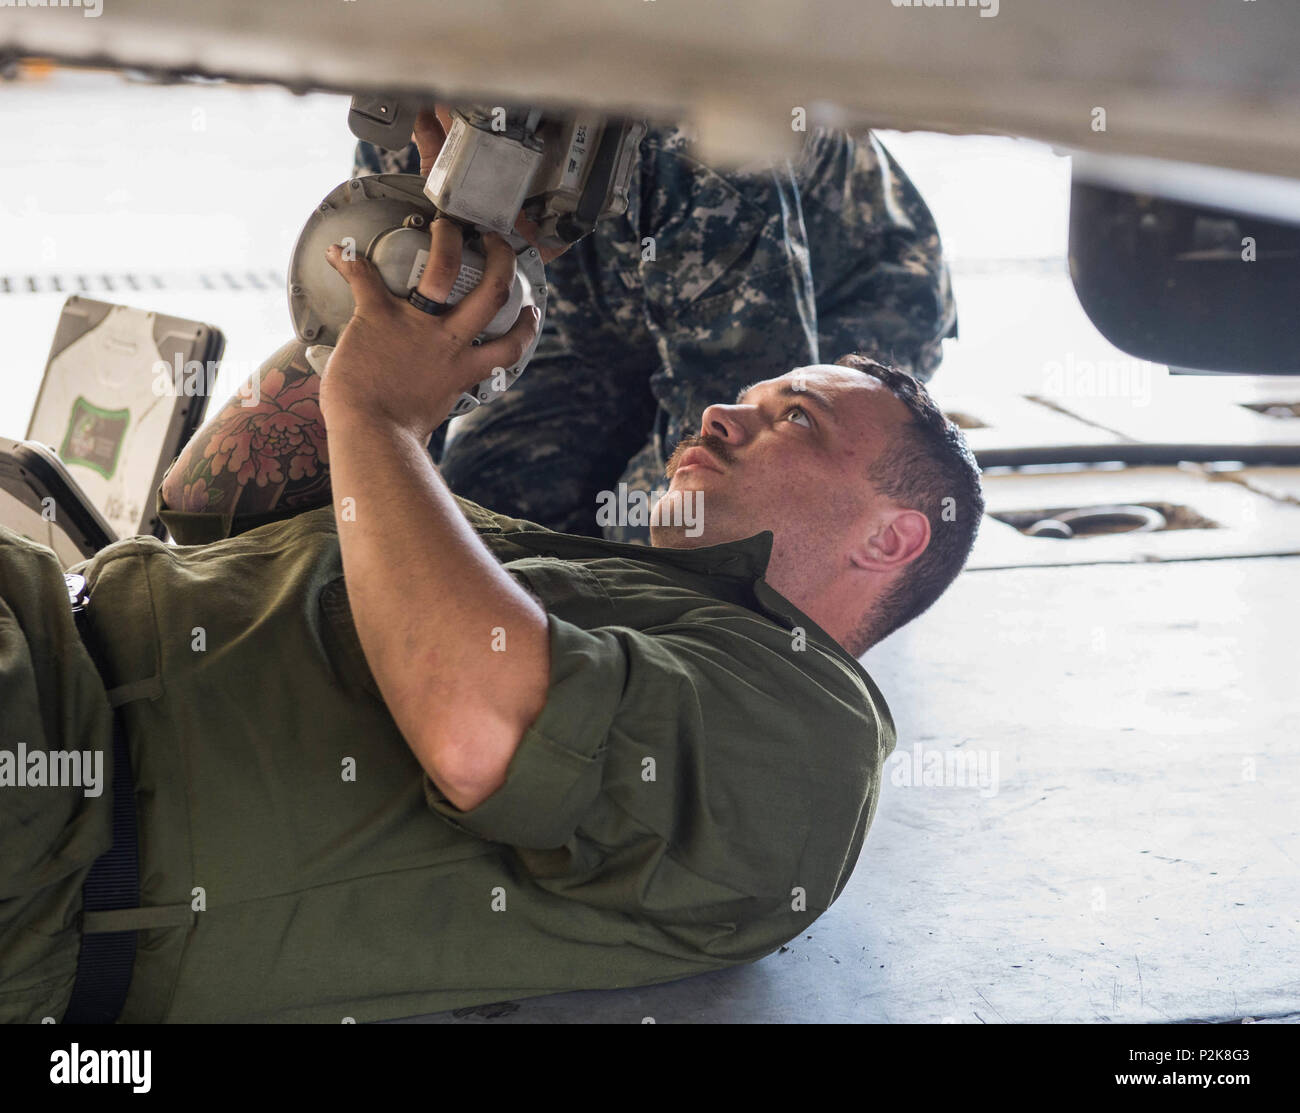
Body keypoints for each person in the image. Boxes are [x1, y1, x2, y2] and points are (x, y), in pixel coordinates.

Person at [0, 118, 982, 1025]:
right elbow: (215, 503)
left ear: (892, 537)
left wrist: (378, 419)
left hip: (51, 807)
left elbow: (481, 733)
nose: (723, 413)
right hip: (42, 623)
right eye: (755, 399)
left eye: (793, 420)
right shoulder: (557, 569)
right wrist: (394, 306)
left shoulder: (812, 736)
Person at [354, 107, 958, 539]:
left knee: (669, 542)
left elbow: (733, 408)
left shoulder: (699, 136)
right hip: (603, 308)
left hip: (828, 319)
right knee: (479, 521)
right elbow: (409, 352)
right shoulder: (408, 113)